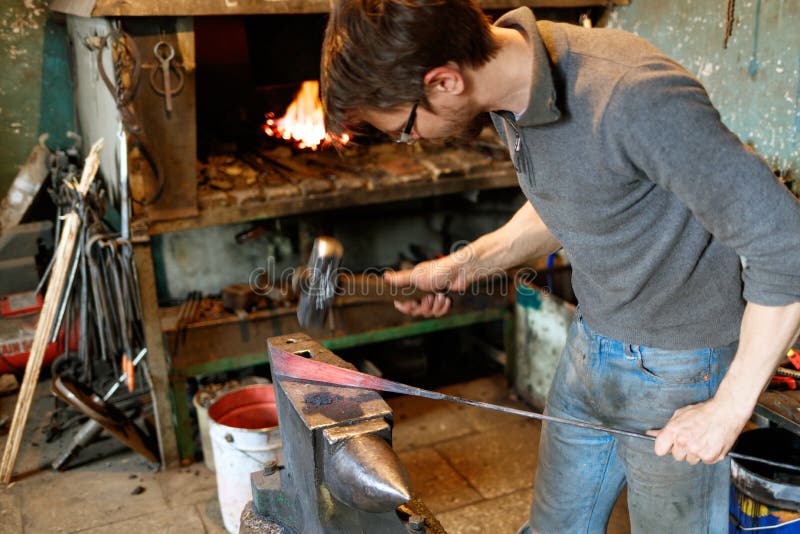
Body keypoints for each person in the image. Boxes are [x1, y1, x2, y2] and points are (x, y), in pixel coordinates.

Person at [320, 1, 800, 532]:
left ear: (445, 81)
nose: (409, 140)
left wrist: (728, 408)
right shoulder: (516, 94)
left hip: (681, 367)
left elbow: (787, 245)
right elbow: (573, 198)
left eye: (405, 128)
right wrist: (463, 265)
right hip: (591, 341)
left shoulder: (632, 95)